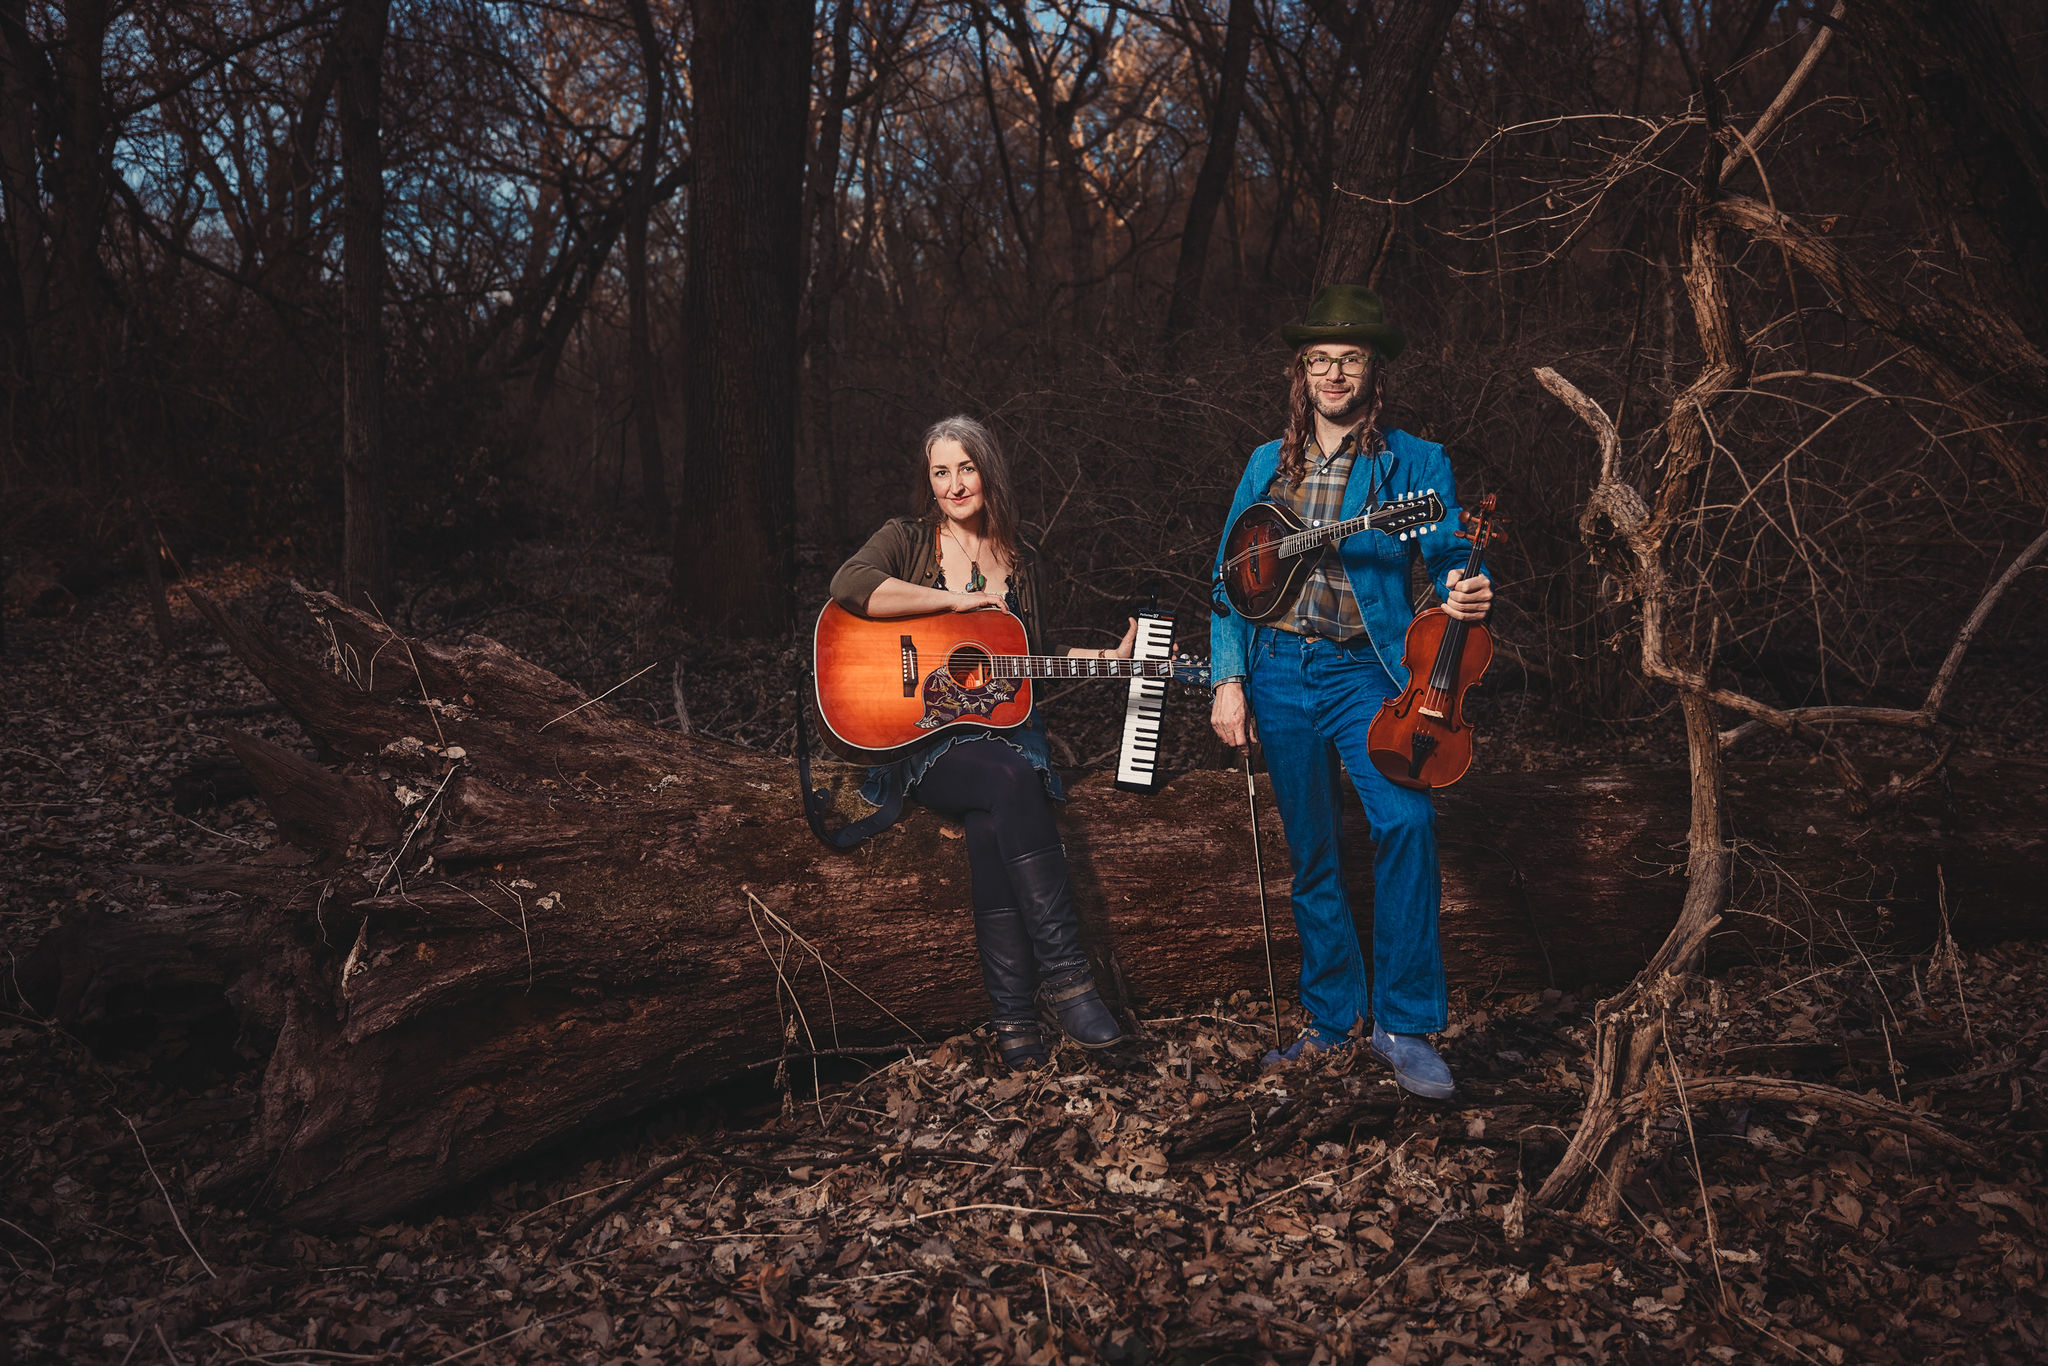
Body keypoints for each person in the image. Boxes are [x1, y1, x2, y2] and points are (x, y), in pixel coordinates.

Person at [1208, 285, 1493, 1098]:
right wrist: (1229, 678)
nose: (1335, 374)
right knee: (1313, 853)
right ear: (1303, 372)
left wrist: (1467, 587)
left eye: (1351, 359)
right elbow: (1229, 579)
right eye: (1321, 360)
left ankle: (1404, 1025)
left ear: (1374, 371)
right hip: (1276, 668)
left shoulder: (1414, 462)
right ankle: (1333, 1020)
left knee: (1405, 820)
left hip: (1366, 671)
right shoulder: (1266, 464)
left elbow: (1453, 555)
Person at [830, 415, 1136, 1071]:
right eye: (940, 472)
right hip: (930, 739)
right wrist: (951, 606)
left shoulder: (1024, 561)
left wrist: (1106, 660)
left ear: (988, 470)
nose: (954, 484)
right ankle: (1072, 984)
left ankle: (1016, 1024)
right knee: (1007, 780)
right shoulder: (908, 539)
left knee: (992, 819)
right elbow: (849, 585)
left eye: (965, 468)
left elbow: (1025, 657)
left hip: (1007, 739)